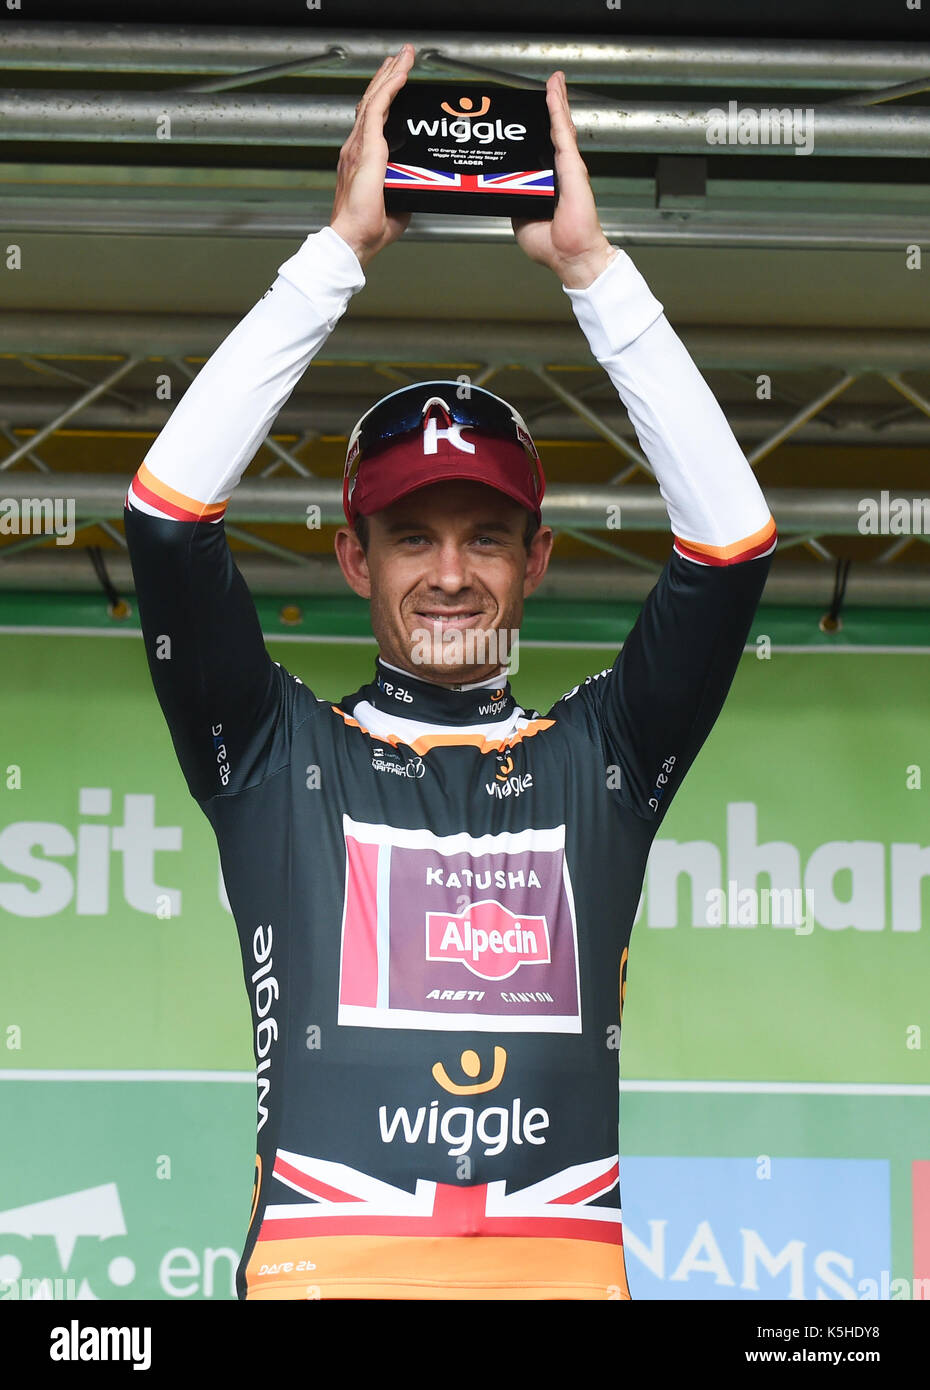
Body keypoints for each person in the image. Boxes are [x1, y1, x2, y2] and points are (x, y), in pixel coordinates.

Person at [123, 42, 776, 1300]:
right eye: (411, 535)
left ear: (539, 559)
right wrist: (336, 259)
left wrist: (593, 270)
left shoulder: (606, 758)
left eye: (485, 536)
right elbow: (167, 516)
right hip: (327, 1273)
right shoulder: (272, 755)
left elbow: (731, 544)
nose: (450, 574)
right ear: (350, 558)